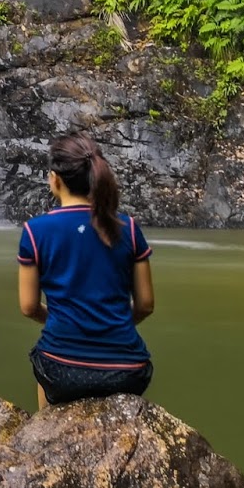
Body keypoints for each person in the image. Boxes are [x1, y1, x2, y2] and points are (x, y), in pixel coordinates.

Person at [17, 134, 155, 409]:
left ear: (54, 179)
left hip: (61, 369)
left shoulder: (35, 231)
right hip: (127, 370)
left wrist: (62, 320)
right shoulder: (127, 228)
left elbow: (29, 307)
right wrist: (112, 322)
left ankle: (43, 434)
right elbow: (146, 305)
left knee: (46, 362)